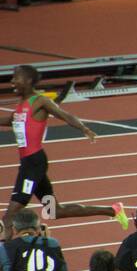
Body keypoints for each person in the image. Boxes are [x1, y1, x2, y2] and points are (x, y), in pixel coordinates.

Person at [3, 65, 129, 238]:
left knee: (10, 215)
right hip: (29, 164)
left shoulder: (39, 101)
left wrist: (84, 128)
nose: (12, 81)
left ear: (28, 80)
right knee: (55, 211)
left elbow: (65, 115)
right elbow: (10, 120)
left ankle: (6, 261)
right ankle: (113, 210)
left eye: (16, 78)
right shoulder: (20, 105)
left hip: (34, 163)